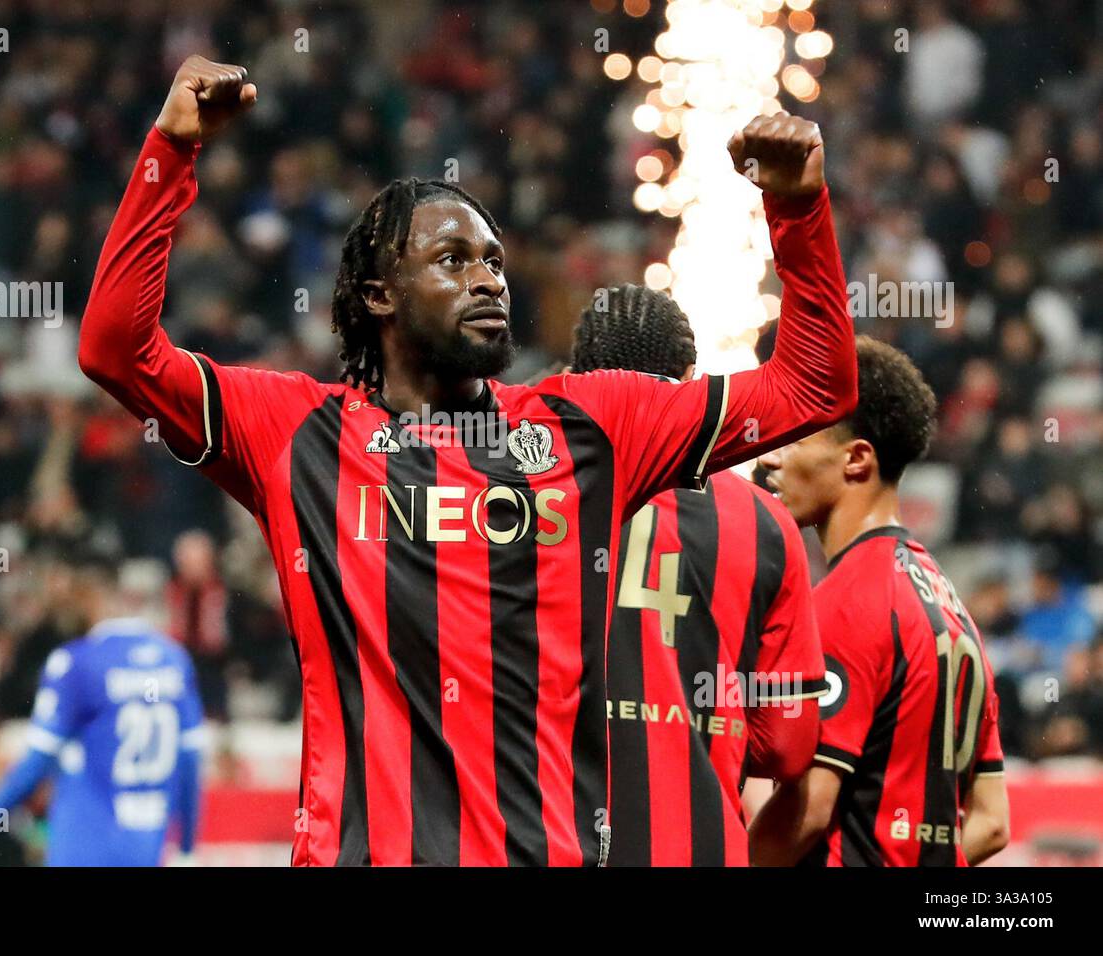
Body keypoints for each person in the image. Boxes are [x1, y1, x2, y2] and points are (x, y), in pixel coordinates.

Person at [78, 55, 856, 865]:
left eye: (493, 261)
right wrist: (170, 151)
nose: (489, 280)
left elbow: (814, 386)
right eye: (453, 261)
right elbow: (114, 350)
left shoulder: (590, 424)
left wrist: (797, 206)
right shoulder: (296, 435)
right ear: (378, 295)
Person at [571, 284, 825, 866]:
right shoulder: (766, 521)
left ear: (576, 378)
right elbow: (787, 746)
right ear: (690, 380)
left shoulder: (517, 493)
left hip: (550, 841)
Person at [750, 337, 1009, 866]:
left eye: (794, 437)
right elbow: (992, 822)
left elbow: (810, 811)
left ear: (856, 459)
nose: (770, 458)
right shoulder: (951, 604)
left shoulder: (846, 601)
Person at [0, 560, 204, 866]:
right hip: (145, 846)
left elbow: (37, 762)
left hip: (86, 843)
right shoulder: (174, 661)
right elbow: (190, 760)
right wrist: (188, 846)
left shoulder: (77, 661)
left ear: (91, 601)